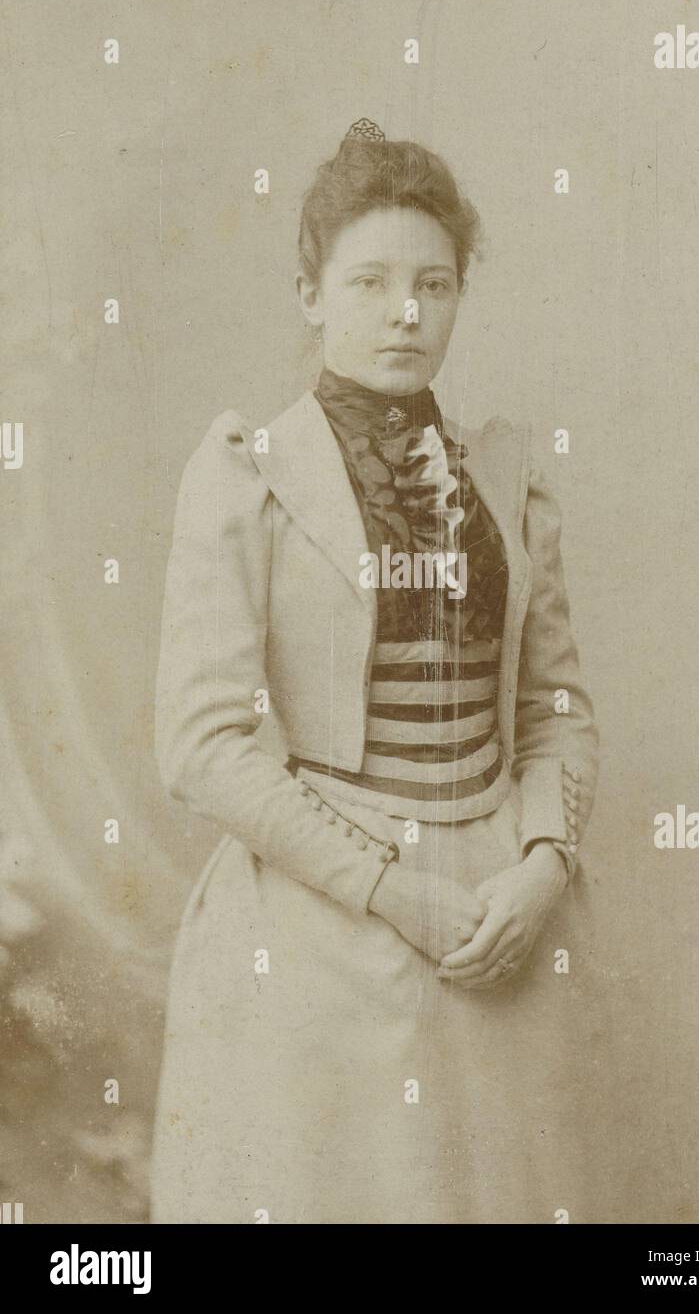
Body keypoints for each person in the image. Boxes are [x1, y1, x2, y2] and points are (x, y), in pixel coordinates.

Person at [149, 119, 600, 1224]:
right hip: (317, 933)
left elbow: (557, 709)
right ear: (310, 293)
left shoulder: (506, 475)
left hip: (500, 924)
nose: (407, 311)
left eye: (434, 283)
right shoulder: (244, 476)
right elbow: (200, 746)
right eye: (370, 281)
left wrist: (543, 863)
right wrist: (395, 890)